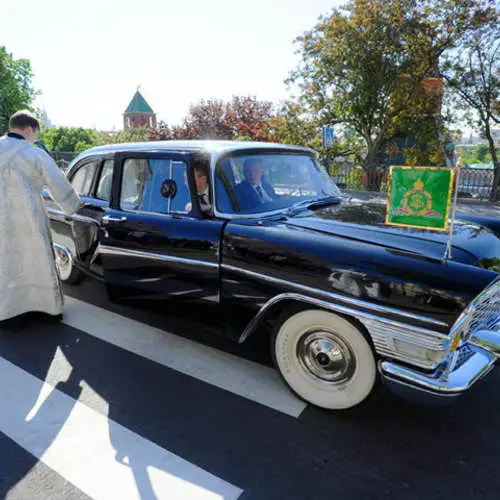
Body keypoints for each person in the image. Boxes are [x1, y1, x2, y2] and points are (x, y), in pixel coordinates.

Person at [0, 110, 81, 323]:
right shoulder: (34, 153)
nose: (34, 138)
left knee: (6, 263)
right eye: (35, 134)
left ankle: (7, 314)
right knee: (35, 261)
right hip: (29, 217)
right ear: (28, 130)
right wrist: (73, 207)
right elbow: (57, 183)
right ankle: (44, 309)